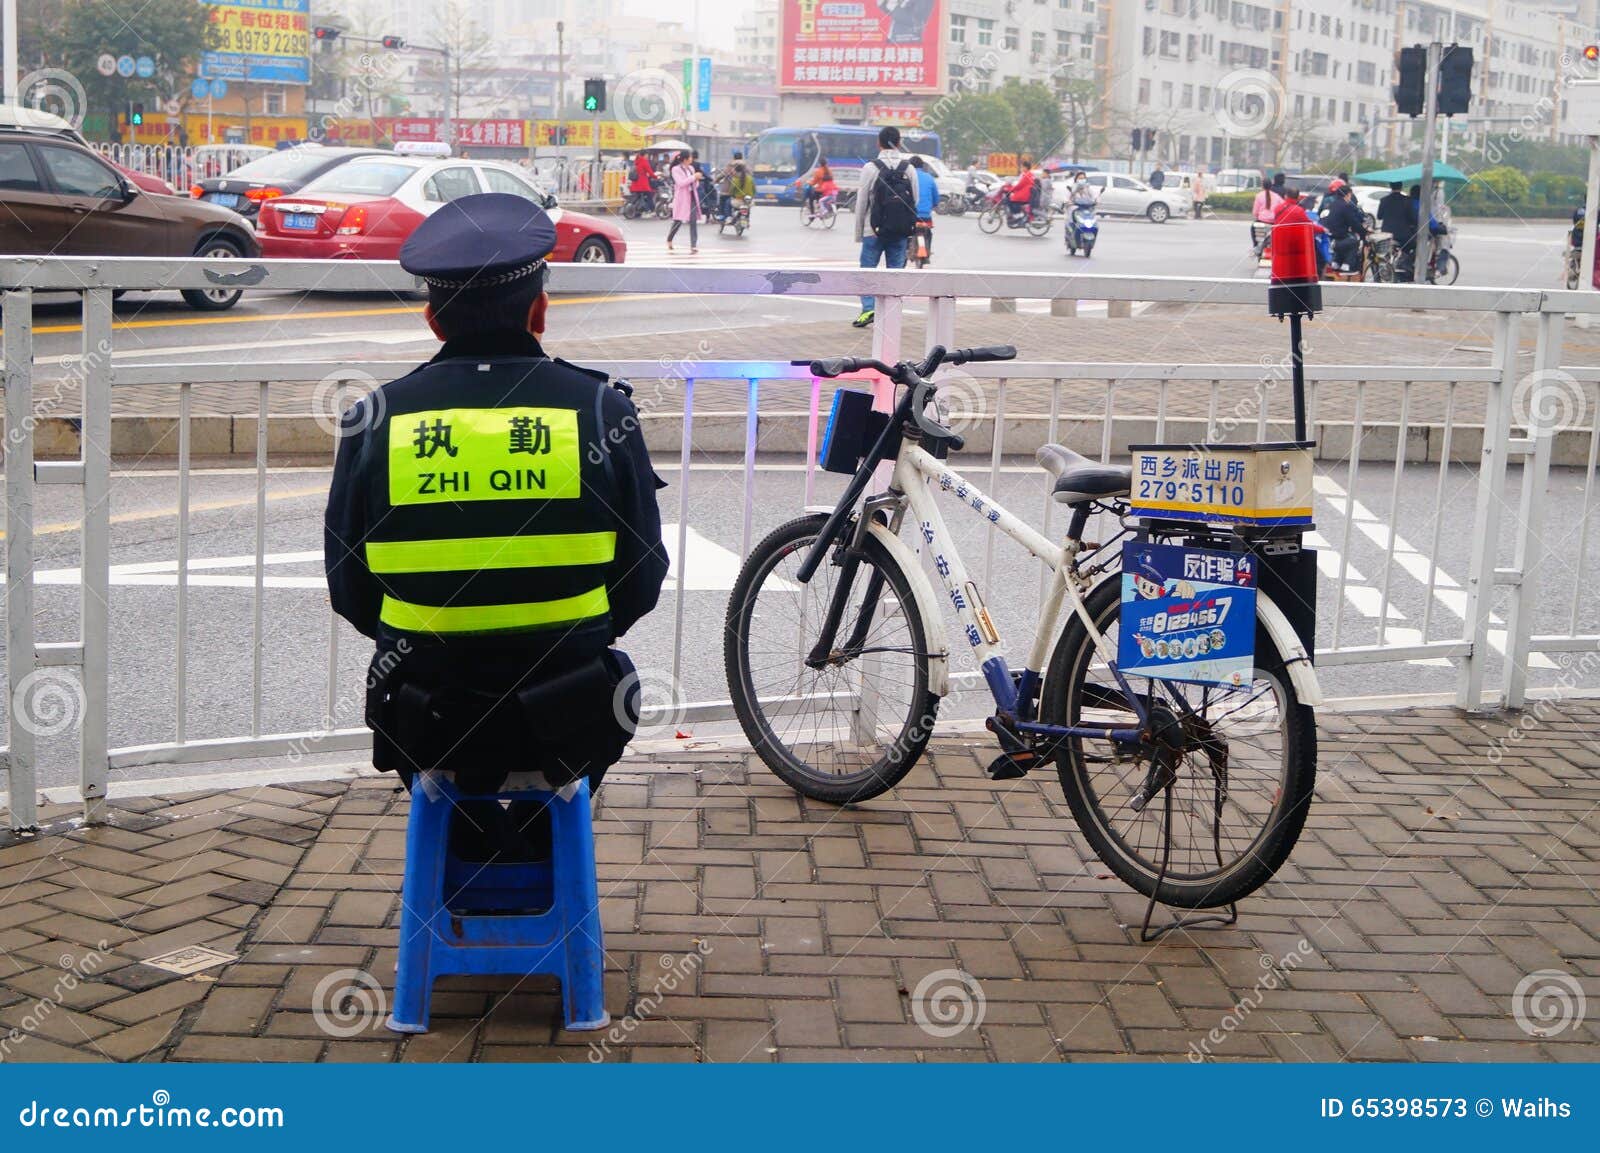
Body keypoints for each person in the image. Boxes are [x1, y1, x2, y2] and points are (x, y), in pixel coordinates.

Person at [323, 193, 668, 861]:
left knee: (406, 689)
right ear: (539, 310)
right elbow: (642, 574)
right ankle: (540, 842)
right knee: (617, 682)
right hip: (570, 712)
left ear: (431, 317)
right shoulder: (601, 411)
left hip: (427, 717)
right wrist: (572, 635)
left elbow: (350, 588)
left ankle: (466, 838)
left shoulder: (376, 418)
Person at [852, 125, 917, 328]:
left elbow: (862, 202)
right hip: (899, 231)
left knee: (867, 271)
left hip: (874, 230)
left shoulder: (870, 167)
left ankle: (869, 309)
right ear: (898, 143)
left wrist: (859, 233)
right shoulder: (909, 168)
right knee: (895, 272)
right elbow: (914, 200)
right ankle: (892, 312)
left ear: (878, 143)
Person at [1321, 183, 1367, 273]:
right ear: (1348, 194)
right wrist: (1363, 232)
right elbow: (1354, 223)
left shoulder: (1333, 204)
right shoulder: (1346, 206)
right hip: (1338, 236)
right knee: (1354, 242)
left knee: (1345, 240)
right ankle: (1347, 265)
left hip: (1331, 236)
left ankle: (1336, 263)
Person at [666, 151, 700, 253]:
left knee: (693, 221)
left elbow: (695, 184)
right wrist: (694, 177)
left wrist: (696, 180)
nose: (691, 159)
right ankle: (669, 239)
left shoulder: (691, 168)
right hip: (682, 198)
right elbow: (681, 183)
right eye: (690, 157)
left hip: (692, 196)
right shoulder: (675, 169)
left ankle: (693, 245)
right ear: (685, 159)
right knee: (678, 220)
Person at [908, 154, 938, 263]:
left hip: (911, 215)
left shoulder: (907, 176)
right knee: (928, 233)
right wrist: (934, 205)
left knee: (906, 233)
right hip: (926, 216)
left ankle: (906, 250)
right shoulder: (929, 177)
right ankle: (927, 253)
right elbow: (936, 198)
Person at [1006, 157, 1036, 225]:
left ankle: (1018, 216)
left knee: (1010, 201)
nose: (1021, 168)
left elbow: (1019, 185)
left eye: (1022, 167)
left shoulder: (1026, 175)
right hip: (1026, 193)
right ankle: (1019, 215)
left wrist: (1011, 190)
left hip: (1024, 195)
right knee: (1013, 200)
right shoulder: (1029, 174)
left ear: (1025, 167)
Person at [627, 150, 656, 215]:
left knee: (639, 197)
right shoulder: (644, 162)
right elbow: (650, 172)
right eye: (647, 155)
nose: (648, 156)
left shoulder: (636, 161)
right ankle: (651, 210)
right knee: (649, 196)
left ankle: (638, 210)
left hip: (635, 184)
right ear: (645, 155)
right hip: (642, 185)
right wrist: (656, 177)